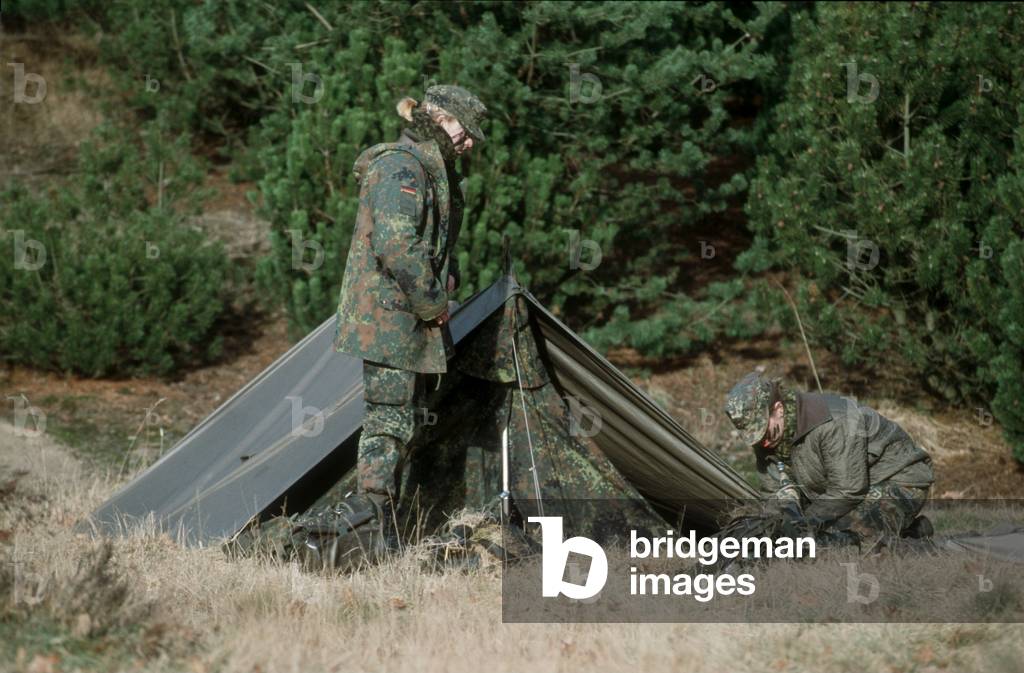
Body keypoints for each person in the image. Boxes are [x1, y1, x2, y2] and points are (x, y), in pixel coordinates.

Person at [332, 84, 488, 535]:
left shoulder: (429, 169)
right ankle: (366, 530)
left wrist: (448, 275)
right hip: (391, 319)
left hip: (406, 320)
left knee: (404, 421)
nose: (470, 142)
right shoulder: (401, 167)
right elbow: (397, 244)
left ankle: (384, 525)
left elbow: (430, 239)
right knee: (388, 422)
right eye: (465, 130)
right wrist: (434, 302)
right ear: (441, 121)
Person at [724, 372, 935, 545]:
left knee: (835, 544)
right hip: (842, 491)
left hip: (899, 480)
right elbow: (773, 493)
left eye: (763, 429)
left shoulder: (833, 422)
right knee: (791, 543)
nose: (762, 441)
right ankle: (909, 530)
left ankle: (914, 542)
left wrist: (802, 525)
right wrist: (773, 531)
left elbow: (848, 489)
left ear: (778, 410)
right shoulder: (767, 436)